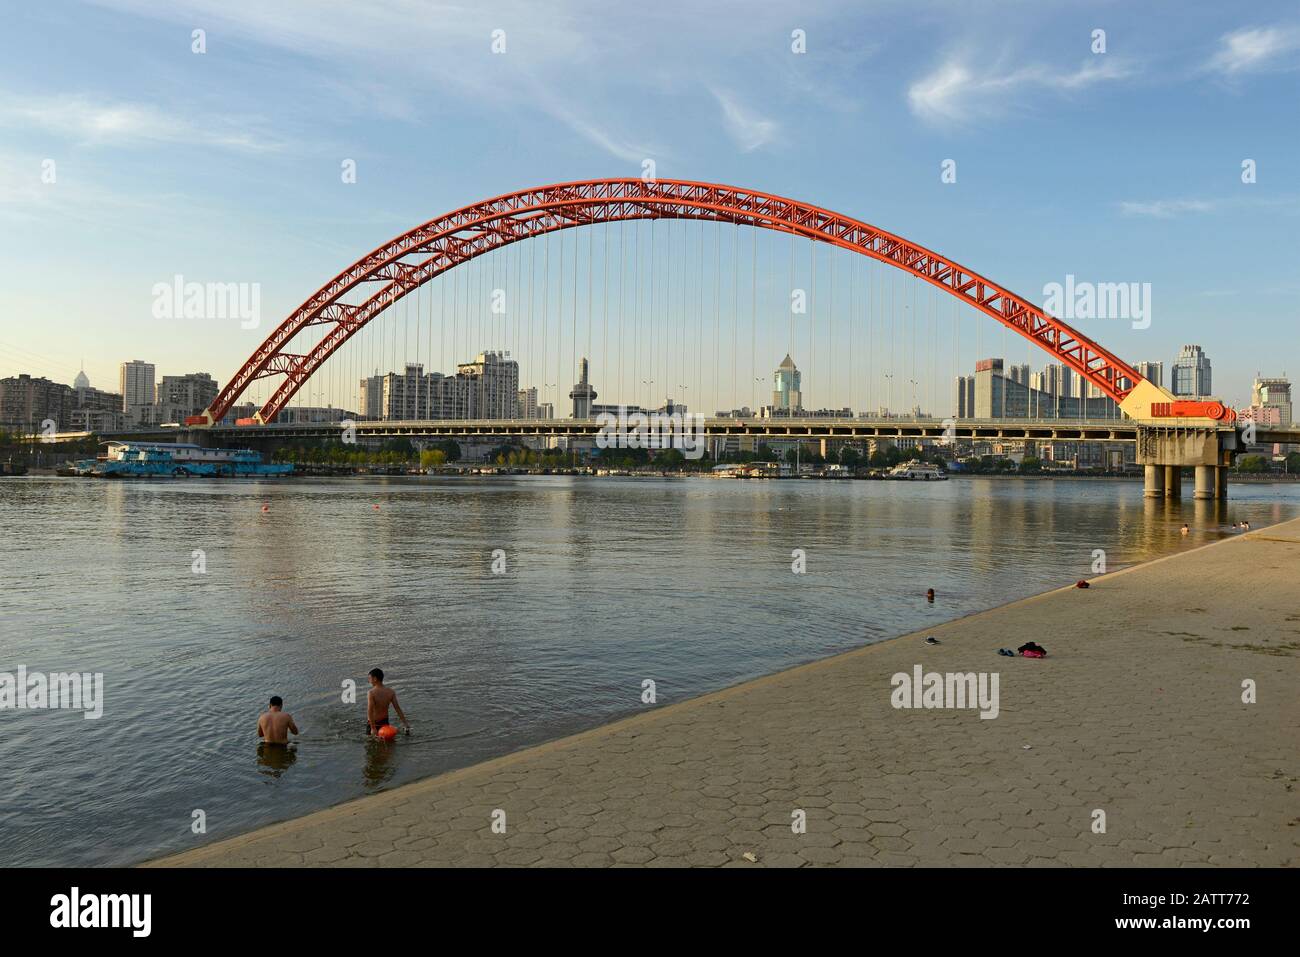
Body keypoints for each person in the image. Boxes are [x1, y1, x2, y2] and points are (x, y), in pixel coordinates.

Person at [367, 668, 410, 736]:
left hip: (374, 723)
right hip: (385, 723)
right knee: (388, 743)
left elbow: (370, 711)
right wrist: (405, 723)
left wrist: (373, 728)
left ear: (375, 679)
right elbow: (397, 708)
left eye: (369, 679)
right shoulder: (390, 692)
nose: (369, 681)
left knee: (371, 744)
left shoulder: (371, 693)